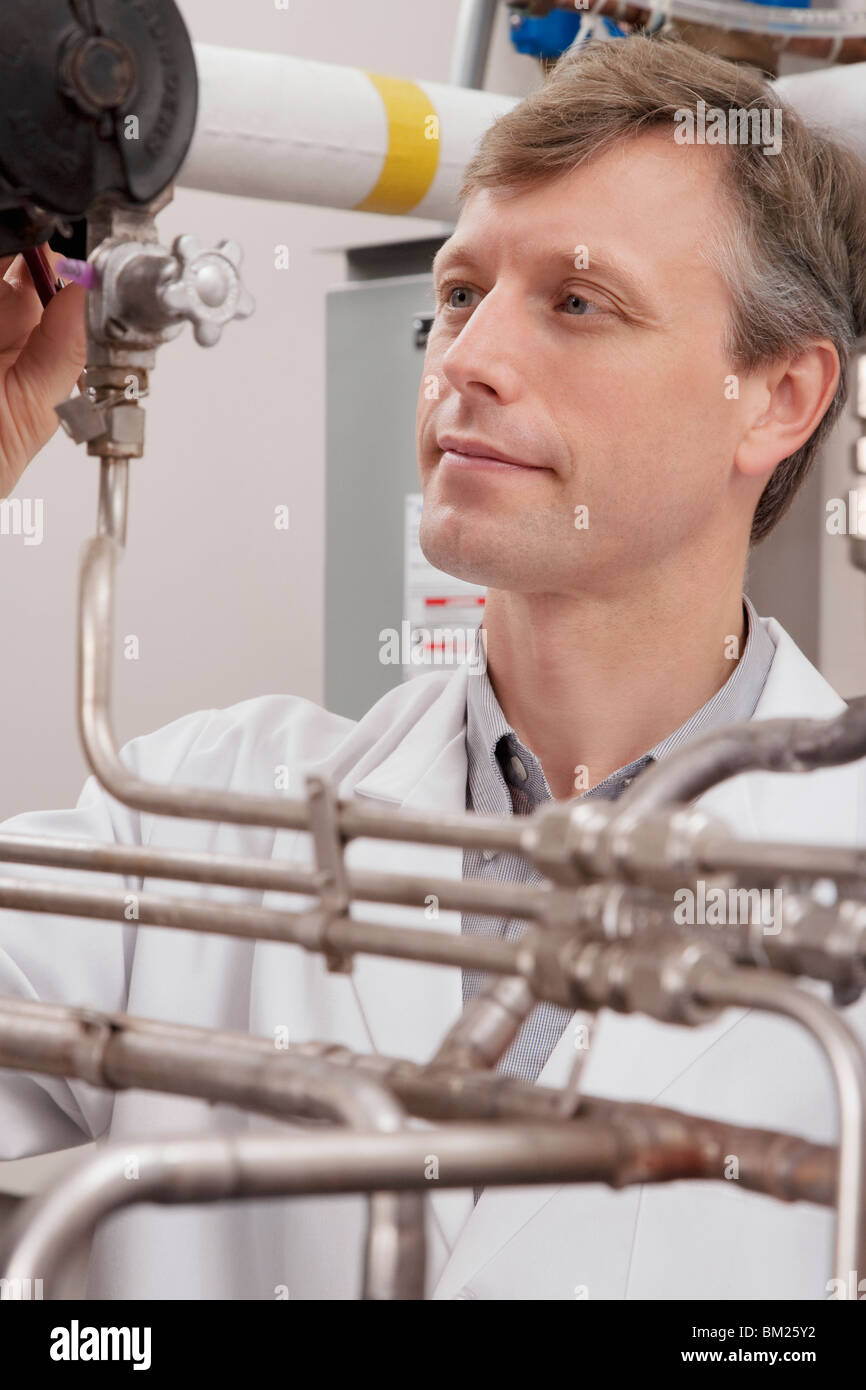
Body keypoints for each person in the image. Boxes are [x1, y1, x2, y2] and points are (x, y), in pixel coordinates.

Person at [1, 33, 865, 1300]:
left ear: (779, 396)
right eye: (460, 293)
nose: (463, 361)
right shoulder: (194, 823)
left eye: (577, 302)